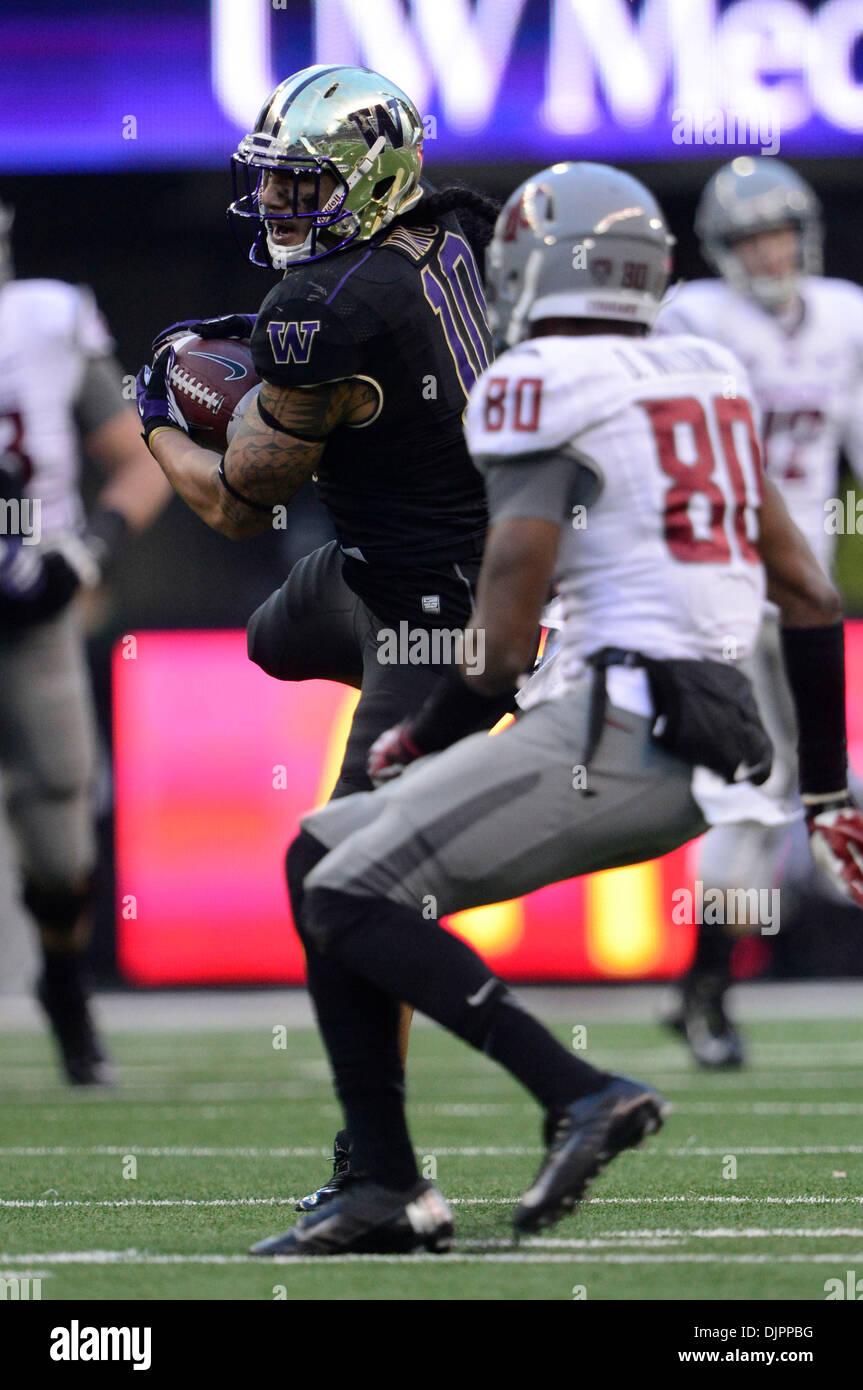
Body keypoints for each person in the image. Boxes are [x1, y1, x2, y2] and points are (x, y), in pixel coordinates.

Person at [246, 160, 863, 1256]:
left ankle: (575, 1088)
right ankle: (385, 1182)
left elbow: (494, 645)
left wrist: (418, 734)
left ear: (528, 266)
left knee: (345, 891)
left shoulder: (533, 384)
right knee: (317, 859)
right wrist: (823, 788)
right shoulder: (709, 370)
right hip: (718, 729)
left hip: (620, 723)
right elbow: (810, 594)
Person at [136, 65, 506, 1206]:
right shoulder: (448, 224)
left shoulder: (322, 314)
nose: (282, 209)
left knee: (347, 885)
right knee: (272, 632)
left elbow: (235, 501)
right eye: (275, 187)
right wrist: (267, 356)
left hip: (432, 614)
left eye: (306, 187)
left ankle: (376, 1165)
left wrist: (156, 404)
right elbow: (362, 319)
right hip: (403, 563)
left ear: (370, 180)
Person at [654, 157, 863, 1066]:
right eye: (750, 238)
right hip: (723, 589)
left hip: (807, 595)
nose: (769, 252)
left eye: (779, 232)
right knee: (756, 794)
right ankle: (704, 988)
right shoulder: (695, 319)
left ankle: (702, 987)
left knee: (786, 791)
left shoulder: (844, 316)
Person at [0, 198, 172, 1084]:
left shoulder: (45, 318)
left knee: (62, 842)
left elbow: (145, 459)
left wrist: (86, 552)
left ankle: (63, 983)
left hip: (30, 615)